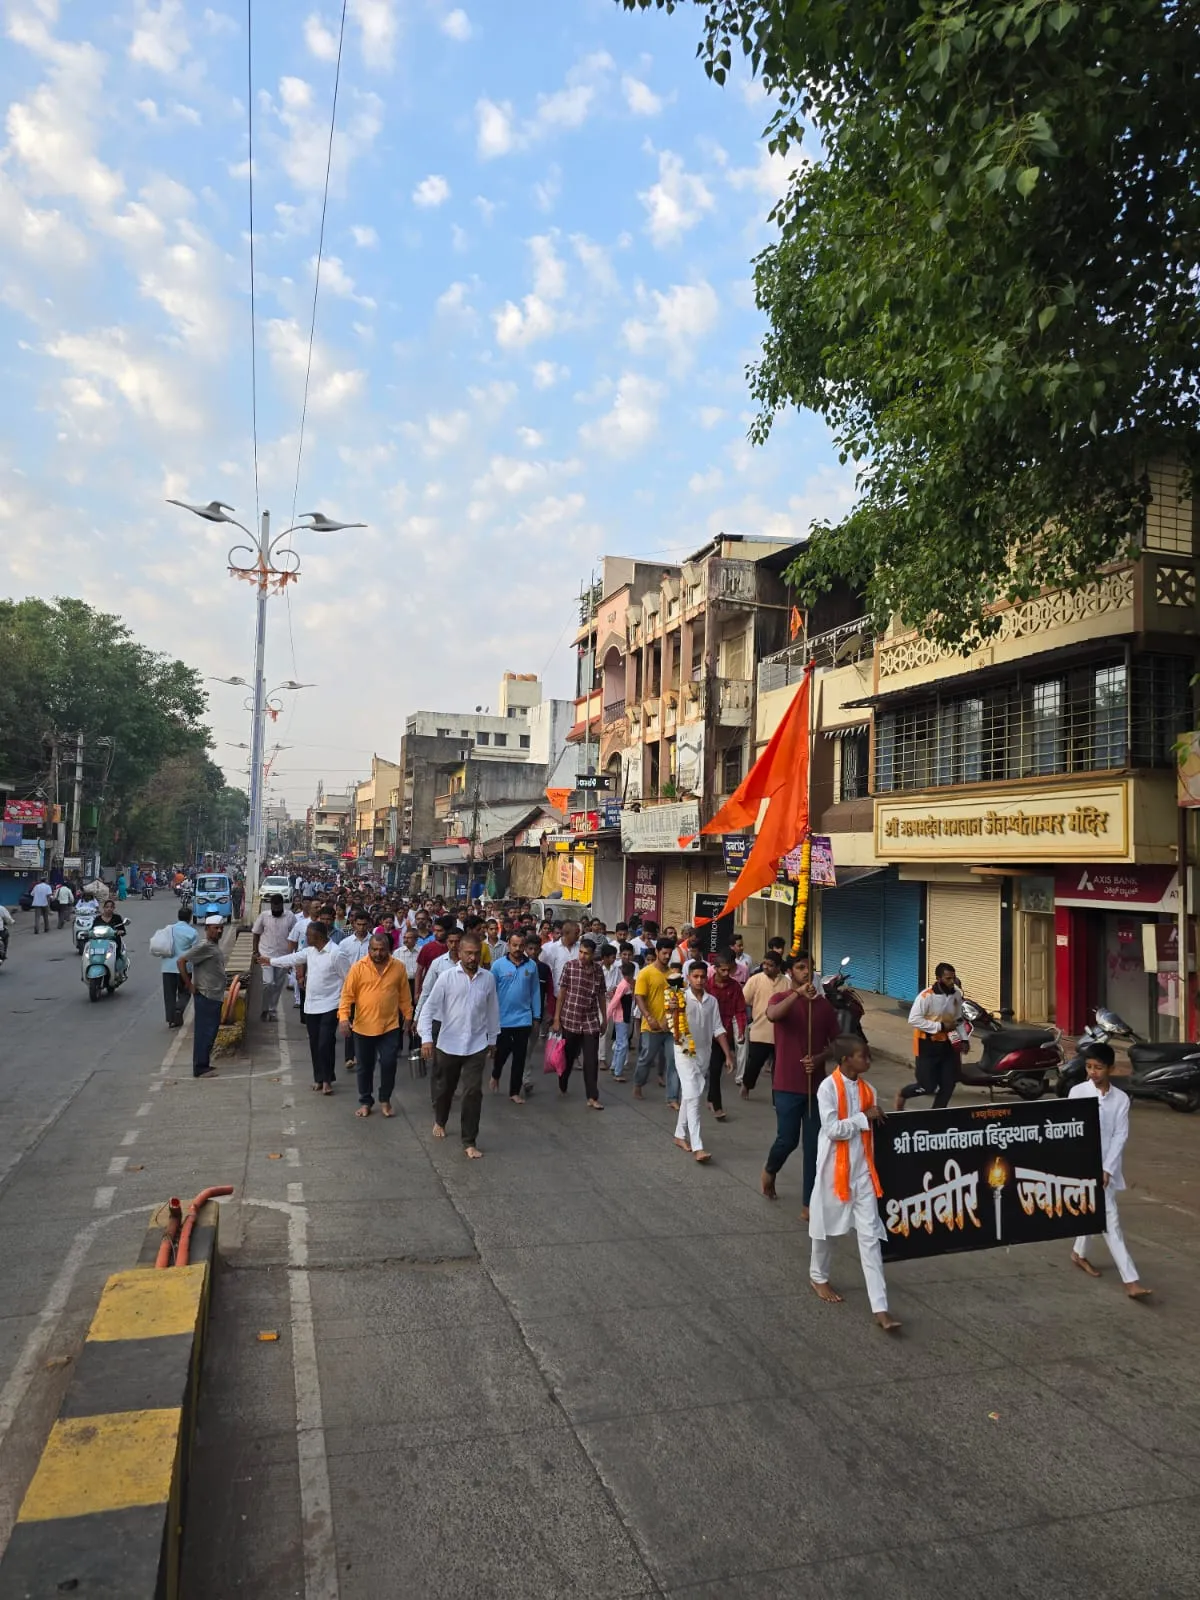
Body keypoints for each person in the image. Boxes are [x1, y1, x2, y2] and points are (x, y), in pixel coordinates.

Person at [808, 1035, 899, 1332]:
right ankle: (818, 1276)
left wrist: (878, 1116)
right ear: (845, 1060)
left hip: (863, 1175)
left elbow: (874, 1121)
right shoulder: (827, 1088)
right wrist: (863, 1118)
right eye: (863, 1057)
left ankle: (881, 1308)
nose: (868, 1061)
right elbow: (832, 1129)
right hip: (834, 1171)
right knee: (828, 1229)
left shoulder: (868, 1090)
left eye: (869, 1056)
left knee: (871, 1238)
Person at [1068, 1043, 1152, 1299]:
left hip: (1106, 1168)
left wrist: (1106, 1168)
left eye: (1098, 1067)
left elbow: (1120, 1136)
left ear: (1111, 1069)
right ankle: (1131, 1281)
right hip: (1083, 1164)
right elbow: (1071, 1131)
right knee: (1109, 1221)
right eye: (1089, 1067)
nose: (1093, 1072)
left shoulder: (1121, 1099)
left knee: (1096, 1212)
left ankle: (1079, 1254)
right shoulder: (1077, 1092)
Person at [762, 951, 841, 1215]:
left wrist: (820, 1058)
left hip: (817, 1088)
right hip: (785, 1084)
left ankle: (810, 1202)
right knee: (787, 1139)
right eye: (800, 967)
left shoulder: (824, 1007)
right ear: (791, 972)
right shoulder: (781, 998)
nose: (807, 972)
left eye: (811, 968)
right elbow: (772, 1015)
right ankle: (770, 1169)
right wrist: (797, 994)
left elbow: (837, 1045)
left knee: (815, 1146)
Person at [421, 935, 499, 1158]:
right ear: (459, 953)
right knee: (444, 1089)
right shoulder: (446, 978)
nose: (473, 957)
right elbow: (428, 1009)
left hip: (476, 1045)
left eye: (476, 953)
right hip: (448, 1044)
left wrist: (493, 1040)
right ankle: (441, 1119)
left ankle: (469, 1140)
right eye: (468, 953)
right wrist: (427, 1038)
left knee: (473, 1092)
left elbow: (493, 1010)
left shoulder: (488, 979)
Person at [264, 920, 349, 1095]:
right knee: (315, 1043)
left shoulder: (336, 953)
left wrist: (346, 1007)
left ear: (318, 936)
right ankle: (318, 1078)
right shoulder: (310, 951)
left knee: (326, 1042)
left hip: (331, 1005)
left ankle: (327, 1080)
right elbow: (292, 958)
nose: (306, 938)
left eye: (308, 935)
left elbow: (349, 979)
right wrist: (270, 961)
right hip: (311, 1006)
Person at [338, 933, 413, 1118]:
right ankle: (365, 1101)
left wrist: (409, 1017)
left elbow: (405, 995)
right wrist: (344, 1018)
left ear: (389, 949)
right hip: (363, 1027)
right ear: (369, 949)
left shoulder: (398, 968)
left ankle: (385, 1099)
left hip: (390, 1026)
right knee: (365, 1066)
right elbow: (347, 995)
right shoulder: (358, 968)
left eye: (382, 950)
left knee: (389, 1063)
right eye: (374, 949)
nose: (378, 953)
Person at [668, 963, 732, 1163]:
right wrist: (673, 1010)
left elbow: (718, 1028)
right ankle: (698, 1146)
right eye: (695, 976)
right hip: (684, 1052)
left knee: (690, 1095)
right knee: (694, 1096)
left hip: (704, 1053)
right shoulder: (680, 998)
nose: (699, 980)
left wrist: (728, 1055)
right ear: (688, 977)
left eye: (702, 976)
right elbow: (670, 1027)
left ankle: (679, 1134)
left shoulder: (711, 1001)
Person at [899, 962, 965, 1110]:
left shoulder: (957, 994)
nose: (951, 981)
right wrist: (940, 1027)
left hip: (947, 1045)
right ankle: (903, 1094)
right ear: (938, 978)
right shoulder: (926, 996)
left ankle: (936, 1114)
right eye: (948, 978)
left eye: (953, 978)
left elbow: (958, 1019)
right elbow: (914, 1020)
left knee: (949, 1084)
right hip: (926, 1045)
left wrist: (964, 1039)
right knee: (927, 1086)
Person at [553, 936, 607, 1109]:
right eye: (581, 952)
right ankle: (563, 1081)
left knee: (591, 1059)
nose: (583, 956)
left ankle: (592, 1096)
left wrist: (604, 1018)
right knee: (568, 1056)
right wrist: (556, 1018)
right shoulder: (570, 967)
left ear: (593, 955)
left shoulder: (598, 971)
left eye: (587, 954)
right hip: (570, 1018)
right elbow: (561, 993)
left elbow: (601, 995)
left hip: (590, 1019)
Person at [490, 931, 541, 1102]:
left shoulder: (531, 966)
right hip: (502, 1019)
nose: (518, 949)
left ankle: (514, 1092)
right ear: (508, 945)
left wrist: (536, 1017)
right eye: (514, 945)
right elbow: (490, 993)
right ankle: (496, 1074)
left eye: (521, 946)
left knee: (520, 1056)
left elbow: (535, 992)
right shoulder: (498, 966)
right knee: (501, 1053)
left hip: (524, 1018)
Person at [178, 915, 228, 1080]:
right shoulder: (205, 946)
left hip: (215, 995)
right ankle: (200, 1067)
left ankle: (204, 1064)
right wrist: (189, 985)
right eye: (215, 928)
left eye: (221, 928)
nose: (219, 931)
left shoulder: (213, 946)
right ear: (207, 929)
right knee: (205, 1033)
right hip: (207, 995)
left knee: (210, 1032)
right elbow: (182, 961)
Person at [632, 938, 680, 1103]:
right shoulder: (646, 973)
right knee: (646, 1058)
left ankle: (672, 1098)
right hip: (651, 1026)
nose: (667, 956)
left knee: (674, 1061)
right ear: (657, 952)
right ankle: (638, 1084)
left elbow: (681, 996)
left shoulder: (673, 976)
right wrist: (649, 1017)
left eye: (669, 953)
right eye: (664, 953)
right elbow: (639, 997)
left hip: (670, 1027)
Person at [706, 952, 747, 1120]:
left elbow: (740, 1010)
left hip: (724, 1033)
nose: (726, 974)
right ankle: (710, 1098)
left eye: (728, 970)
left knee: (716, 1069)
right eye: (722, 970)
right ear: (715, 969)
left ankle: (716, 1105)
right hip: (705, 1033)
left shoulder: (735, 987)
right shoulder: (706, 985)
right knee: (709, 1069)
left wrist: (741, 1031)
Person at [741, 952, 788, 1096]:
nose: (766, 967)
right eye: (764, 964)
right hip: (759, 1031)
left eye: (770, 965)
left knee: (779, 1069)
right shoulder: (755, 980)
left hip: (781, 1033)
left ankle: (777, 1097)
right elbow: (745, 1000)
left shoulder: (787, 983)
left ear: (779, 967)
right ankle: (747, 1085)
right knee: (754, 1064)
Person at [251, 895, 296, 1022]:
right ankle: (265, 1009)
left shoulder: (290, 917)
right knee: (268, 982)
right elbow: (256, 933)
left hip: (283, 956)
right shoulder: (264, 916)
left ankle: (272, 1010)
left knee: (277, 985)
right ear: (271, 905)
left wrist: (292, 955)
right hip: (266, 955)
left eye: (278, 907)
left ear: (282, 905)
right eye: (273, 907)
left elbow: (294, 936)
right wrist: (255, 952)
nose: (276, 909)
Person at [162, 904, 198, 1028]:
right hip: (184, 968)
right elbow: (195, 952)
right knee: (185, 991)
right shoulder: (192, 932)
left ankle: (171, 1019)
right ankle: (179, 1009)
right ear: (189, 918)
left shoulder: (168, 929)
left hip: (167, 967)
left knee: (169, 994)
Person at [607, 959, 636, 1081]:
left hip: (625, 1016)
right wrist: (606, 1018)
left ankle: (615, 1066)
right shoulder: (623, 986)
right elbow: (614, 1002)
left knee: (620, 1043)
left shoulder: (626, 985)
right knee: (623, 1044)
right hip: (621, 1018)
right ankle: (618, 1072)